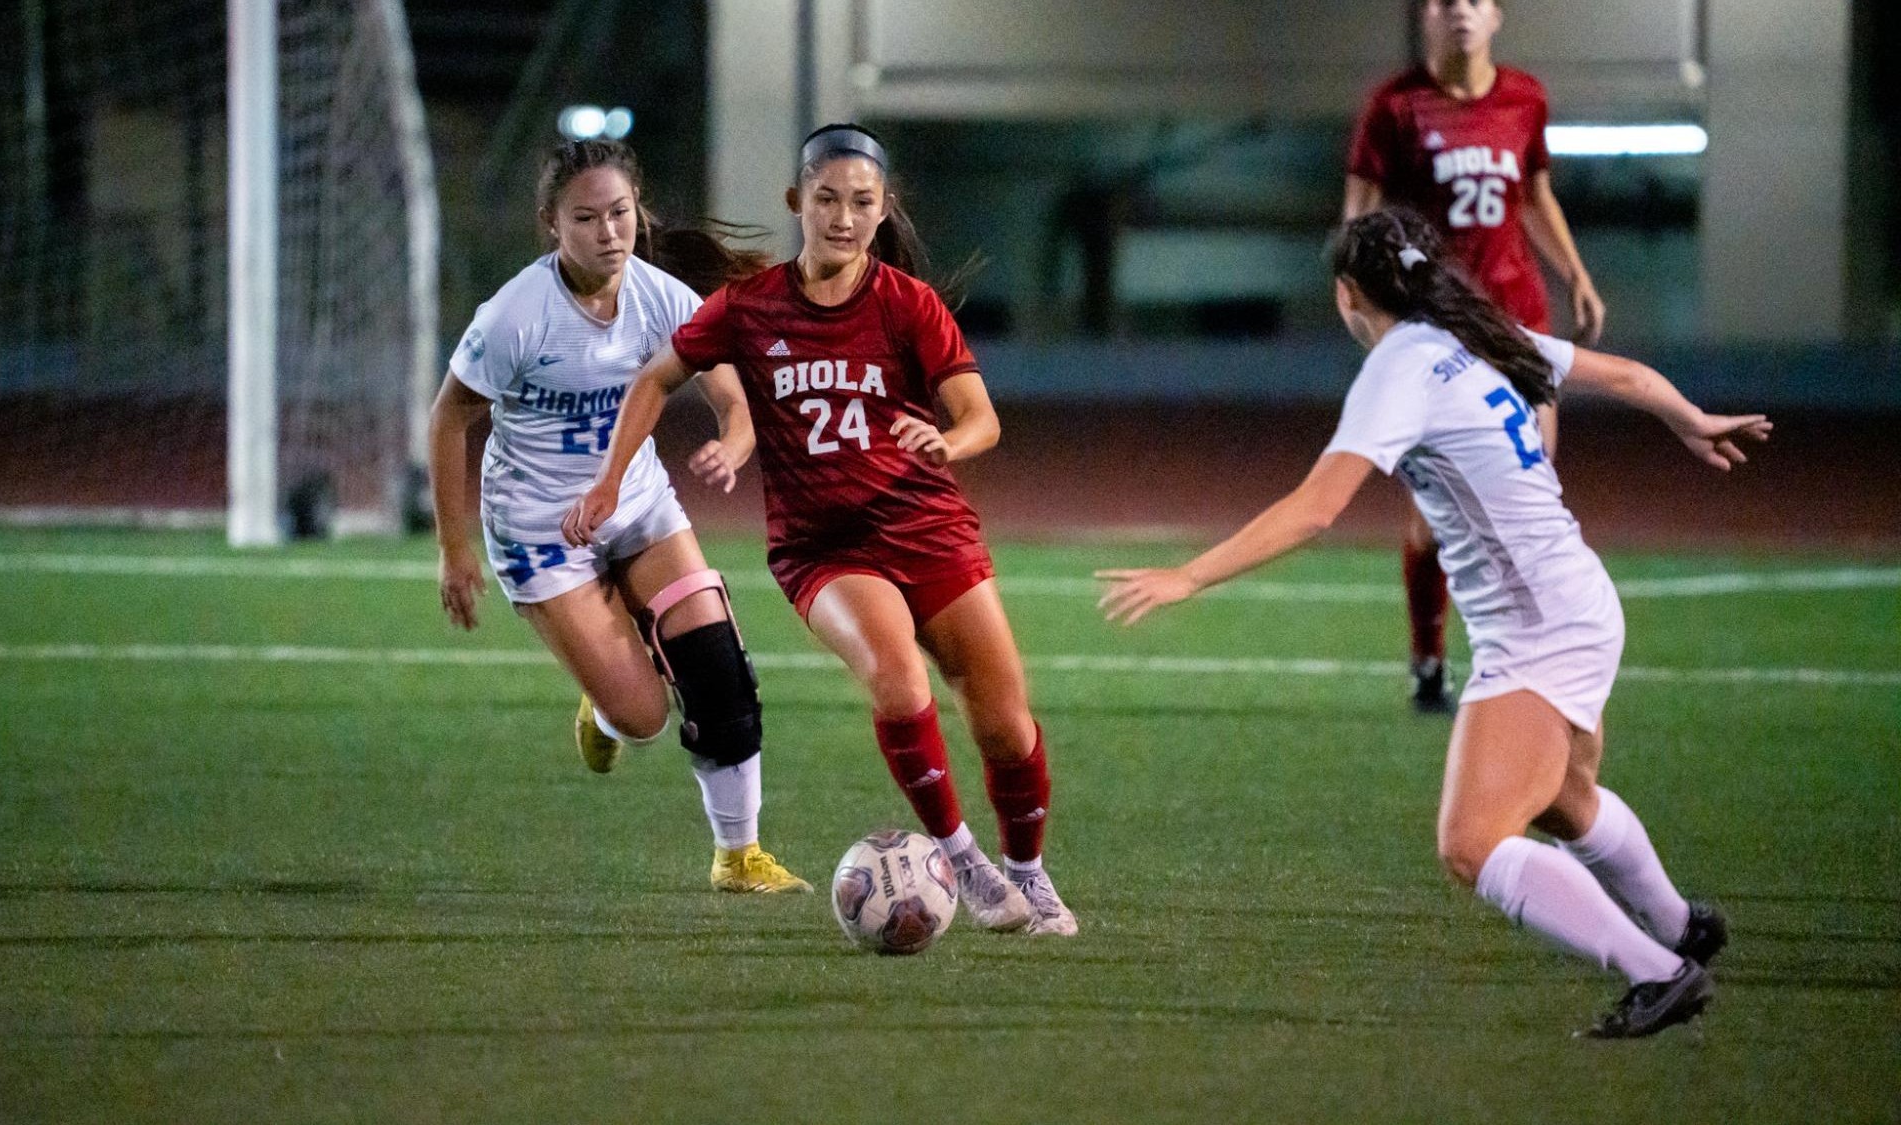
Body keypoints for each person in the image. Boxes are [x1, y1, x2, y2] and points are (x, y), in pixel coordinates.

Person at [1098, 208, 1767, 1037]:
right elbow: (1627, 377)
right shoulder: (1473, 334)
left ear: (1349, 294)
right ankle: (1680, 928)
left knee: (1471, 842)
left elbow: (1317, 509)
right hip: (1576, 597)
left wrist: (1187, 574)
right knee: (1564, 795)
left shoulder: (1400, 366)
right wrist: (1691, 418)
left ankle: (1659, 971)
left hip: (1540, 627)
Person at [565, 123, 1076, 937]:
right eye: (828, 199)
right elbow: (655, 378)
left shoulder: (910, 306)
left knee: (1007, 727)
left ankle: (1028, 870)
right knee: (899, 680)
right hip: (825, 551)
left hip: (929, 528)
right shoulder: (750, 306)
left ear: (883, 209)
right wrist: (607, 479)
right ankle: (965, 861)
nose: (843, 217)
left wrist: (946, 440)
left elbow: (981, 418)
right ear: (797, 202)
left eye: (861, 203)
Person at [429, 139, 810, 894]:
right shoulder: (515, 316)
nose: (608, 232)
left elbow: (736, 403)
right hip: (539, 530)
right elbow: (448, 421)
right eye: (586, 217)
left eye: (620, 213)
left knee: (717, 665)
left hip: (637, 506)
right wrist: (454, 547)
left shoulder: (661, 298)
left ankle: (738, 856)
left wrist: (733, 447)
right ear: (551, 224)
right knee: (641, 716)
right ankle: (606, 700)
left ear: (639, 211)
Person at [1345, 0, 1606, 712]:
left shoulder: (1526, 98)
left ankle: (1531, 655)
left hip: (1517, 323)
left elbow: (1534, 198)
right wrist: (1361, 295)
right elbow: (1359, 211)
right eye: (1441, 0)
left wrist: (1576, 275)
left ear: (1497, 16)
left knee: (1530, 489)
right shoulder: (1393, 107)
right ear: (1424, 18)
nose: (1458, 8)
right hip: (1435, 327)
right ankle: (1428, 661)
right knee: (1435, 514)